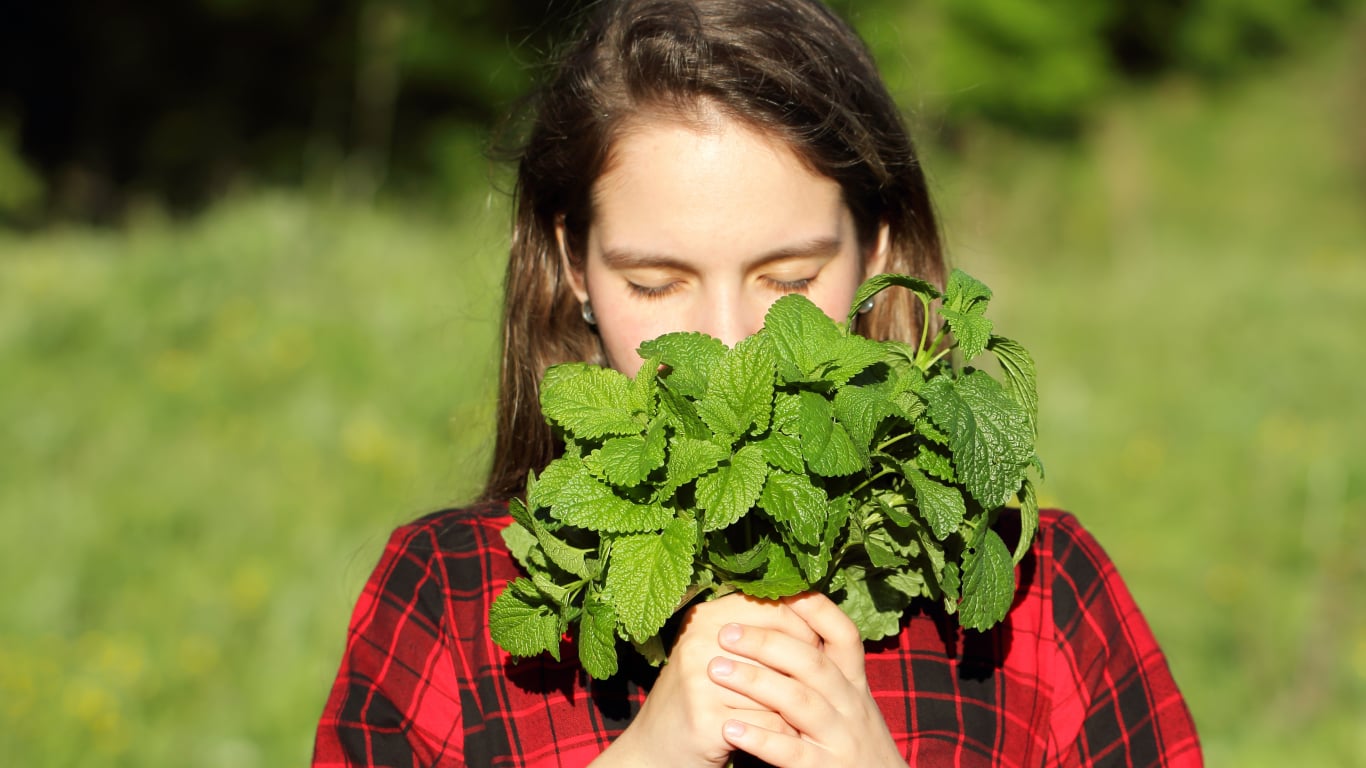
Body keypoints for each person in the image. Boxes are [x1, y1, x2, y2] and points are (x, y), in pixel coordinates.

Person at [312, 0, 1202, 765]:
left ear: (877, 253)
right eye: (655, 283)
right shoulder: (454, 599)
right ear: (574, 263)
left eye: (789, 278)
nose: (728, 341)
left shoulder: (1032, 596)